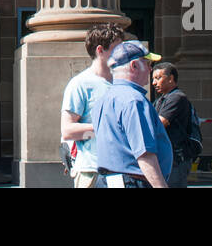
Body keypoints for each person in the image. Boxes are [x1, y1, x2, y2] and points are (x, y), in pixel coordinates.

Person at [92, 40, 170, 188]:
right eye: (147, 64)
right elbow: (145, 155)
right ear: (134, 66)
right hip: (131, 182)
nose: (150, 69)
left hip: (108, 181)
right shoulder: (134, 101)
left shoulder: (104, 100)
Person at [60, 23, 126, 188]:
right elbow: (68, 131)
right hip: (92, 171)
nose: (122, 53)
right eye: (117, 48)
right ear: (100, 50)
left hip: (122, 170)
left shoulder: (123, 82)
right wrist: (105, 128)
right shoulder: (80, 84)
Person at [151, 62, 195, 188]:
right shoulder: (161, 100)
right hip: (167, 157)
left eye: (158, 78)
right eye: (153, 79)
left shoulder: (177, 98)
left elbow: (159, 125)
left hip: (176, 159)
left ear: (170, 79)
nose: (154, 83)